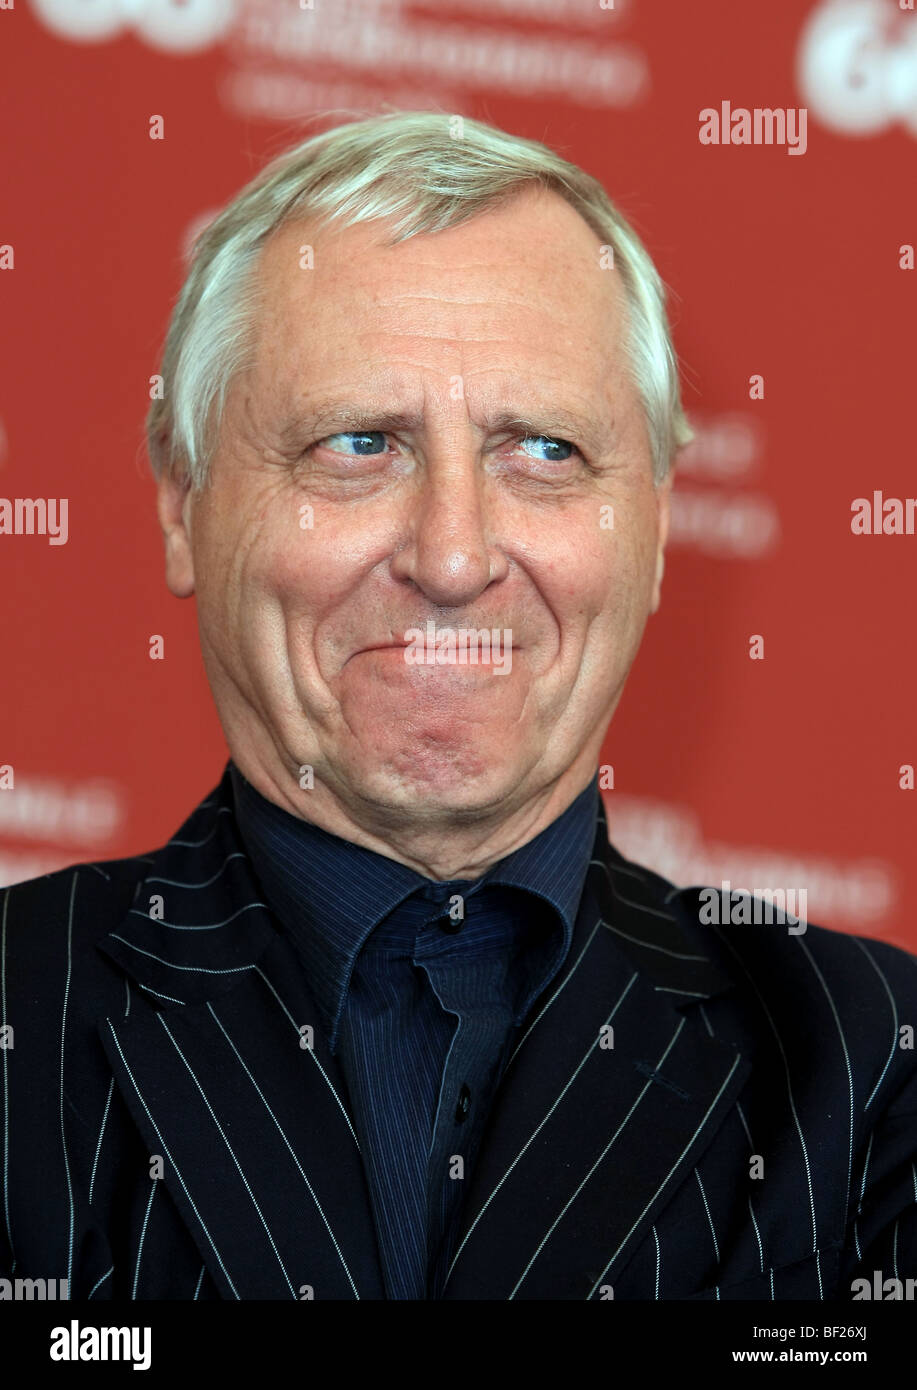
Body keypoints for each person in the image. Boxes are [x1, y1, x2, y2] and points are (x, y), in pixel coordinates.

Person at [1, 112, 914, 1302]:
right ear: (183, 504)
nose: (450, 555)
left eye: (540, 449)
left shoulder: (870, 1070)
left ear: (653, 527)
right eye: (357, 442)